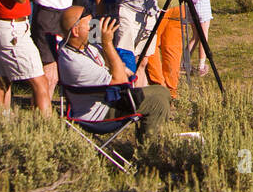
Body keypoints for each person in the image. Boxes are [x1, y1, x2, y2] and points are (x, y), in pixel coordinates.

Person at [56, 9, 171, 137]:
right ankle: (149, 149)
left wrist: (110, 54)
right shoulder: (75, 62)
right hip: (99, 113)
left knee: (162, 91)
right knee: (157, 101)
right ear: (75, 31)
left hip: (106, 99)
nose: (95, 28)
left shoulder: (83, 47)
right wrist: (107, 43)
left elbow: (116, 66)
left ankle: (148, 140)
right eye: (90, 25)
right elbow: (122, 81)